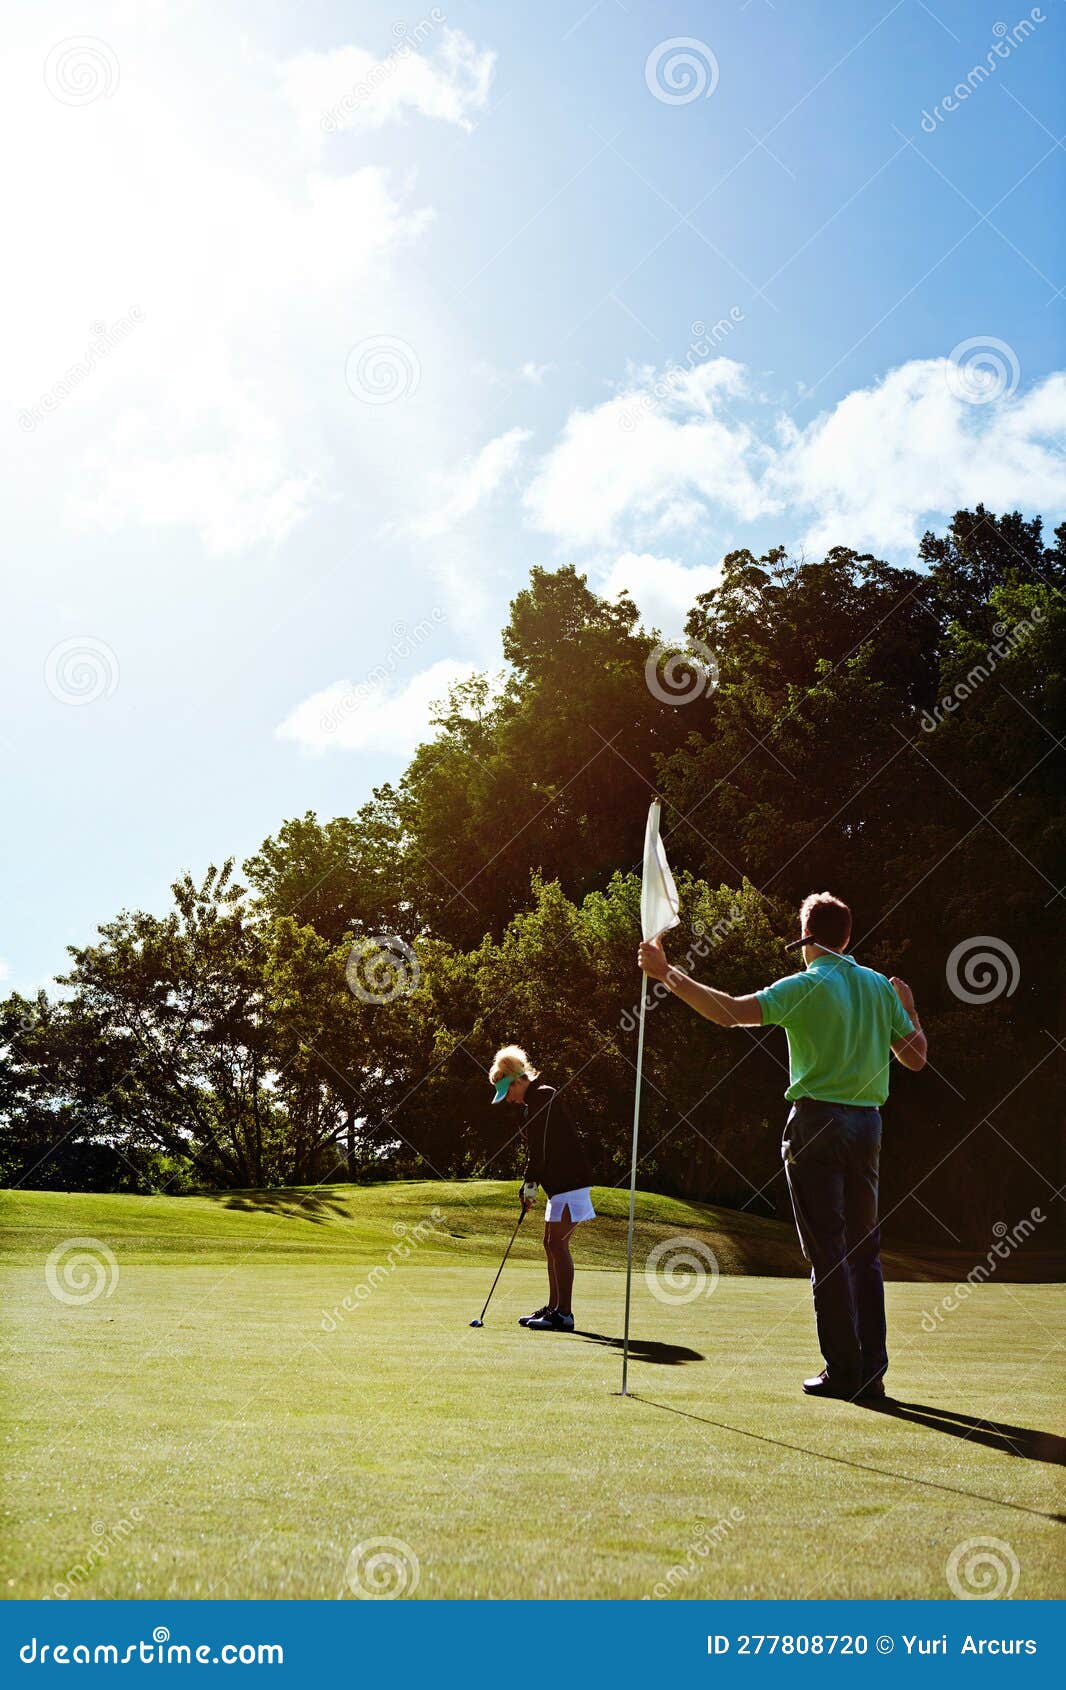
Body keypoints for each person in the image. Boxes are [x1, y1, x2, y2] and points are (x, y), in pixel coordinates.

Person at [637, 891, 927, 1401]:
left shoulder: (806, 985)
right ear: (847, 937)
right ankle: (871, 1371)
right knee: (863, 1253)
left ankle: (843, 1371)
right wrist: (909, 1008)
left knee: (827, 1252)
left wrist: (666, 975)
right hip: (867, 1127)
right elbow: (916, 1058)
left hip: (817, 1123)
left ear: (807, 939)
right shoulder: (882, 988)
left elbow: (728, 1013)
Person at [488, 1045, 596, 1333]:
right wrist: (530, 1183)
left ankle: (565, 1314)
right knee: (551, 1244)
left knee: (557, 1244)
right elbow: (537, 1149)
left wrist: (531, 1183)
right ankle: (553, 1309)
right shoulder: (533, 1103)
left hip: (570, 1182)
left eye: (508, 1091)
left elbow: (541, 1147)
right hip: (559, 1185)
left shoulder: (544, 1095)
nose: (508, 1099)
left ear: (517, 1080)